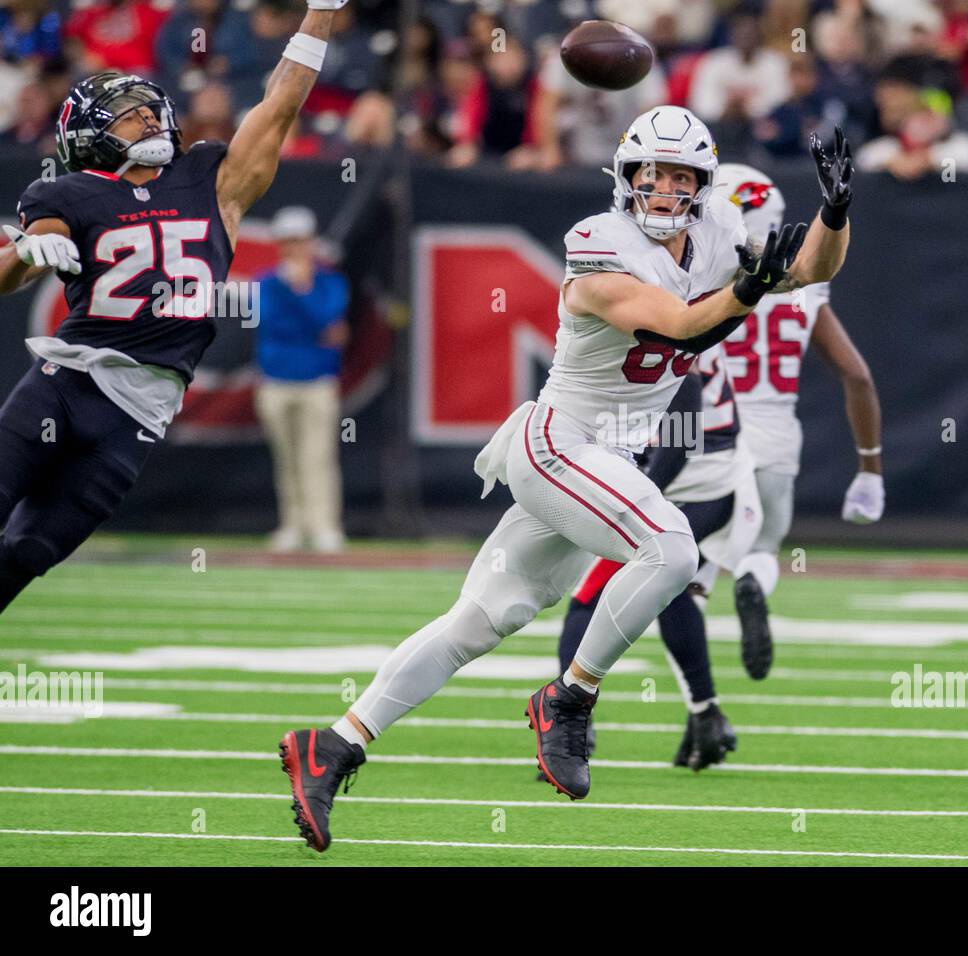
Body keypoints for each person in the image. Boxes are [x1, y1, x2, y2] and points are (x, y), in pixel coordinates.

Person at [279, 107, 855, 852]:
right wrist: (750, 288)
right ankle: (570, 698)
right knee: (673, 550)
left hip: (605, 463)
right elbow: (679, 325)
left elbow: (812, 267)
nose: (665, 190)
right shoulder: (597, 243)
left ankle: (334, 746)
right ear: (627, 177)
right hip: (559, 443)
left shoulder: (715, 234)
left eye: (682, 177)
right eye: (652, 174)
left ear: (702, 186)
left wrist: (836, 212)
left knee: (479, 622)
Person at [0, 0, 353, 614]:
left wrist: (319, 12)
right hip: (64, 383)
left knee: (29, 553)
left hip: (141, 408)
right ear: (90, 134)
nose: (150, 118)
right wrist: (31, 250)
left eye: (149, 108)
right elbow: (9, 277)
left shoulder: (210, 179)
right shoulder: (65, 192)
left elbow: (281, 105)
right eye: (130, 115)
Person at [708, 162, 885, 679]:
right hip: (775, 435)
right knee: (763, 548)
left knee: (686, 562)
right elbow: (856, 376)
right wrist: (870, 468)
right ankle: (753, 583)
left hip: (709, 432)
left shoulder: (698, 272)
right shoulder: (806, 285)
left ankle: (699, 697)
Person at [551, 341, 759, 773]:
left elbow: (685, 415)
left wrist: (642, 495)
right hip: (720, 478)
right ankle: (705, 716)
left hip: (686, 477)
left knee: (590, 596)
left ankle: (570, 726)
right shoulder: (688, 301)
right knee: (671, 590)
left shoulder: (659, 307)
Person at [254, 206, 349, 554]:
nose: (294, 248)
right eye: (288, 241)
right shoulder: (264, 283)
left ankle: (324, 527)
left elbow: (327, 319)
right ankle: (293, 525)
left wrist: (301, 290)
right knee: (287, 459)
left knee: (318, 457)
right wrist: (306, 309)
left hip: (318, 380)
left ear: (311, 242)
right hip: (276, 380)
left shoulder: (330, 282)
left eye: (300, 241)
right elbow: (269, 324)